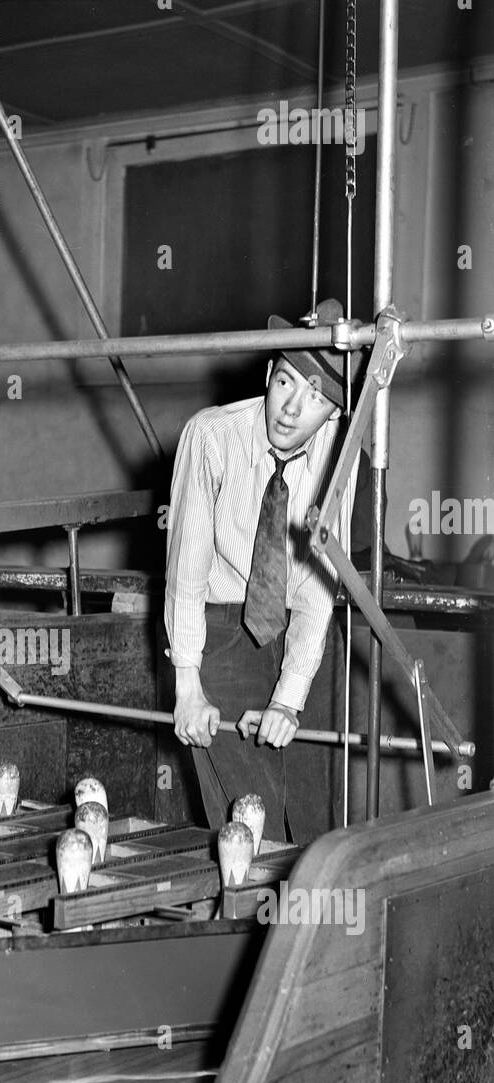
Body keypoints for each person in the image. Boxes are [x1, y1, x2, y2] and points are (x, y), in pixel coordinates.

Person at [164, 298, 366, 845]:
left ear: (336, 412)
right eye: (286, 382)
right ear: (267, 374)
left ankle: (318, 924)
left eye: (317, 397)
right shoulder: (211, 436)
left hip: (300, 631)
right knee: (252, 827)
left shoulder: (339, 457)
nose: (293, 409)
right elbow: (187, 569)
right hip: (223, 629)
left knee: (319, 830)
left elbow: (320, 592)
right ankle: (259, 920)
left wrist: (287, 699)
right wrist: (188, 686)